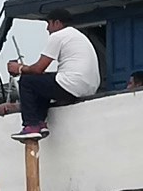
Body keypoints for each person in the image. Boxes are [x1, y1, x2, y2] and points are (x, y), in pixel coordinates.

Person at [8, 10, 100, 141]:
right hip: (88, 88)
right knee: (42, 81)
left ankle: (31, 125)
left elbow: (39, 68)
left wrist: (20, 68)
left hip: (72, 86)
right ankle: (40, 122)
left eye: (48, 23)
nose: (47, 28)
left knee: (27, 80)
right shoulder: (77, 35)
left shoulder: (59, 35)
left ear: (57, 23)